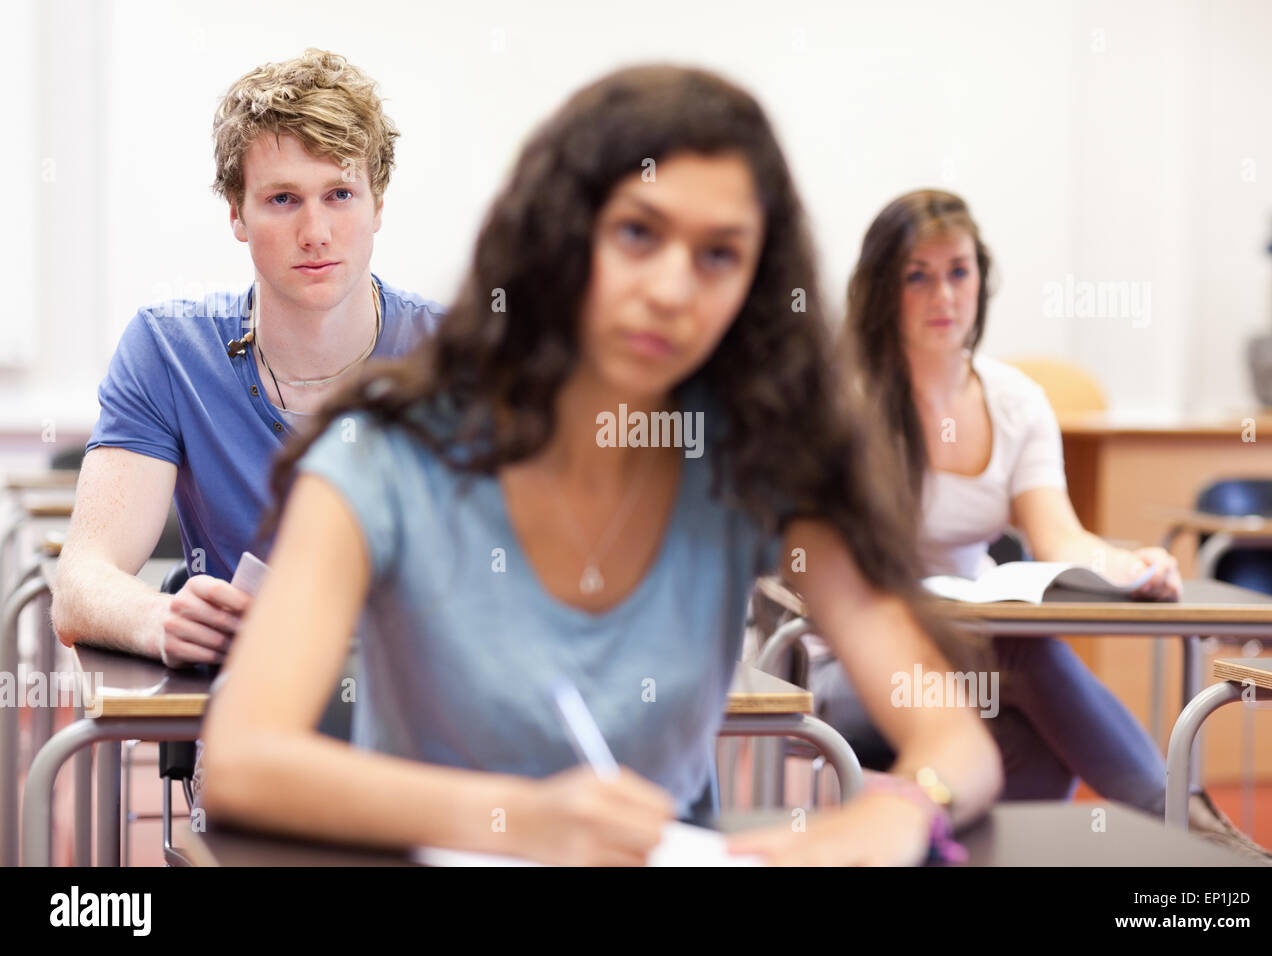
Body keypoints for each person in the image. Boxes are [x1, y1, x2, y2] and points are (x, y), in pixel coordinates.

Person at [200, 66, 1002, 866]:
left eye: (720, 255)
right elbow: (241, 762)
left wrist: (905, 807)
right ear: (562, 233)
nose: (672, 288)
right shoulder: (384, 456)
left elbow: (954, 739)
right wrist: (520, 819)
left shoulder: (750, 454)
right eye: (638, 234)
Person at [52, 49, 442, 667]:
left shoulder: (454, 359)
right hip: (249, 722)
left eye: (340, 194)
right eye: (283, 199)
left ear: (378, 206)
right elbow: (79, 586)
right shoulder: (169, 353)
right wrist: (160, 617)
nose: (315, 232)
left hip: (422, 725)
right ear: (236, 212)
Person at [817, 188, 1182, 814]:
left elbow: (1059, 539)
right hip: (849, 660)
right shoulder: (843, 403)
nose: (945, 296)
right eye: (917, 277)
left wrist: (1130, 567)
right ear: (882, 288)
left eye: (960, 272)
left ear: (982, 279)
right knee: (1018, 652)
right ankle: (1190, 828)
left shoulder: (1015, 401)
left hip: (979, 652)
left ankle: (1175, 824)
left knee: (1032, 734)